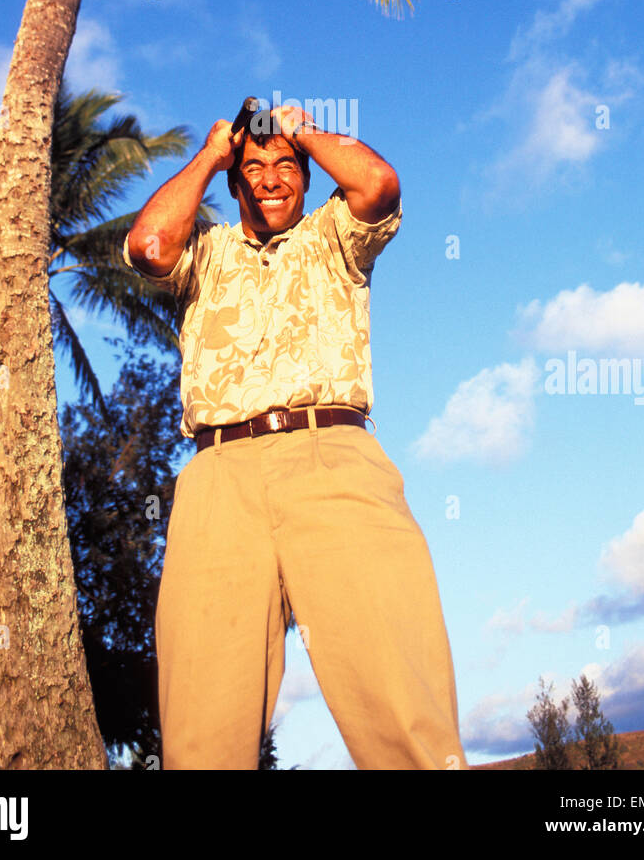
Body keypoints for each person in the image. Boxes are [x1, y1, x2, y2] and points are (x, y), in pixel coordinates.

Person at [123, 100, 467, 771]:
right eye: (254, 168)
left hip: (333, 458)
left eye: (287, 166)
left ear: (308, 180)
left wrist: (300, 128)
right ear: (233, 182)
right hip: (218, 477)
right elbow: (149, 246)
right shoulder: (206, 253)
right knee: (200, 728)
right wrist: (211, 154)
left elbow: (378, 184)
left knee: (402, 701)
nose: (272, 177)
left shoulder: (335, 236)